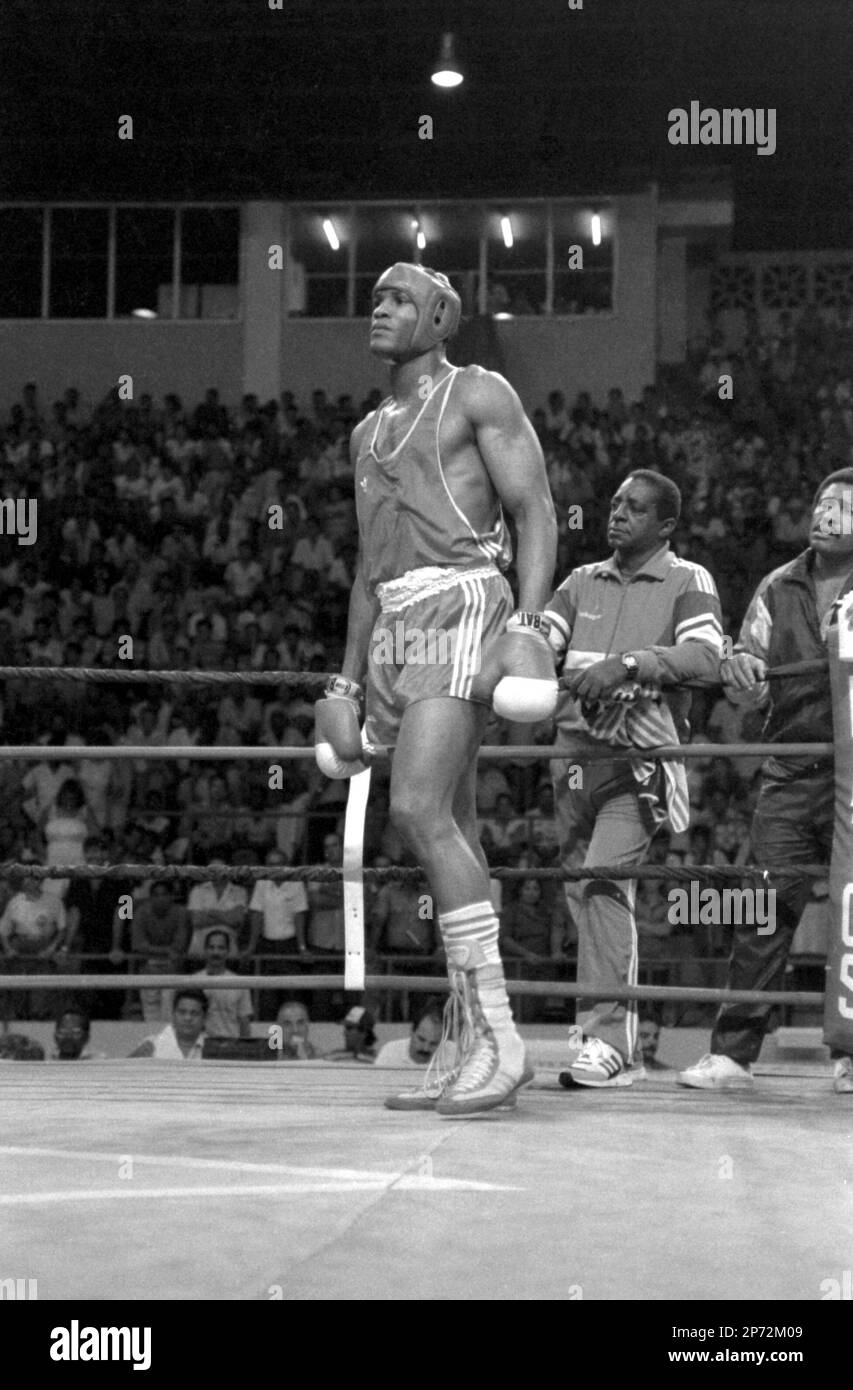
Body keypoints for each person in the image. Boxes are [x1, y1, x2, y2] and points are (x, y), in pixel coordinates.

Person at [315, 262, 557, 1115]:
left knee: (415, 812)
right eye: (375, 299)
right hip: (393, 623)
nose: (379, 310)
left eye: (399, 300)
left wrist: (526, 626)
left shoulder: (477, 393)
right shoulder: (365, 433)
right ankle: (466, 1044)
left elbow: (535, 510)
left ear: (443, 316)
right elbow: (367, 566)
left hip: (463, 604)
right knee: (453, 823)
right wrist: (345, 676)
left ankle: (500, 1038)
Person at [544, 470, 724, 1087]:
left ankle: (608, 1041)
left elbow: (706, 657)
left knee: (603, 884)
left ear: (666, 525)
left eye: (636, 508)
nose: (618, 513)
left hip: (638, 762)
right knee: (584, 895)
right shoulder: (578, 581)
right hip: (570, 760)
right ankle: (621, 1042)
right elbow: (539, 643)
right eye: (616, 501)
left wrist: (626, 665)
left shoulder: (686, 580)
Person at [679, 468, 853, 1095]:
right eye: (821, 502)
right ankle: (732, 1053)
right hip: (788, 771)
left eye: (843, 507)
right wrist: (743, 672)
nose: (827, 514)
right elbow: (743, 667)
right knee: (763, 909)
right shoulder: (779, 585)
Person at [182, 928, 254, 1039]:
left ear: (228, 951)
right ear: (205, 950)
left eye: (221, 948)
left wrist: (245, 1049)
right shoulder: (193, 982)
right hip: (200, 1045)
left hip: (231, 1045)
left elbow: (244, 1022)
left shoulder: (240, 983)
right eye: (211, 947)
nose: (216, 952)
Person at [129, 988, 208, 1060]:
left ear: (204, 1018)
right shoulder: (151, 1045)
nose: (187, 1018)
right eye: (182, 1012)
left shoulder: (214, 1048)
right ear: (173, 1015)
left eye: (194, 1013)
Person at [373, 1000, 448, 1068]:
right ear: (411, 1032)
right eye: (421, 1040)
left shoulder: (453, 1055)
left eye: (433, 1044)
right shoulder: (390, 1053)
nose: (426, 1048)